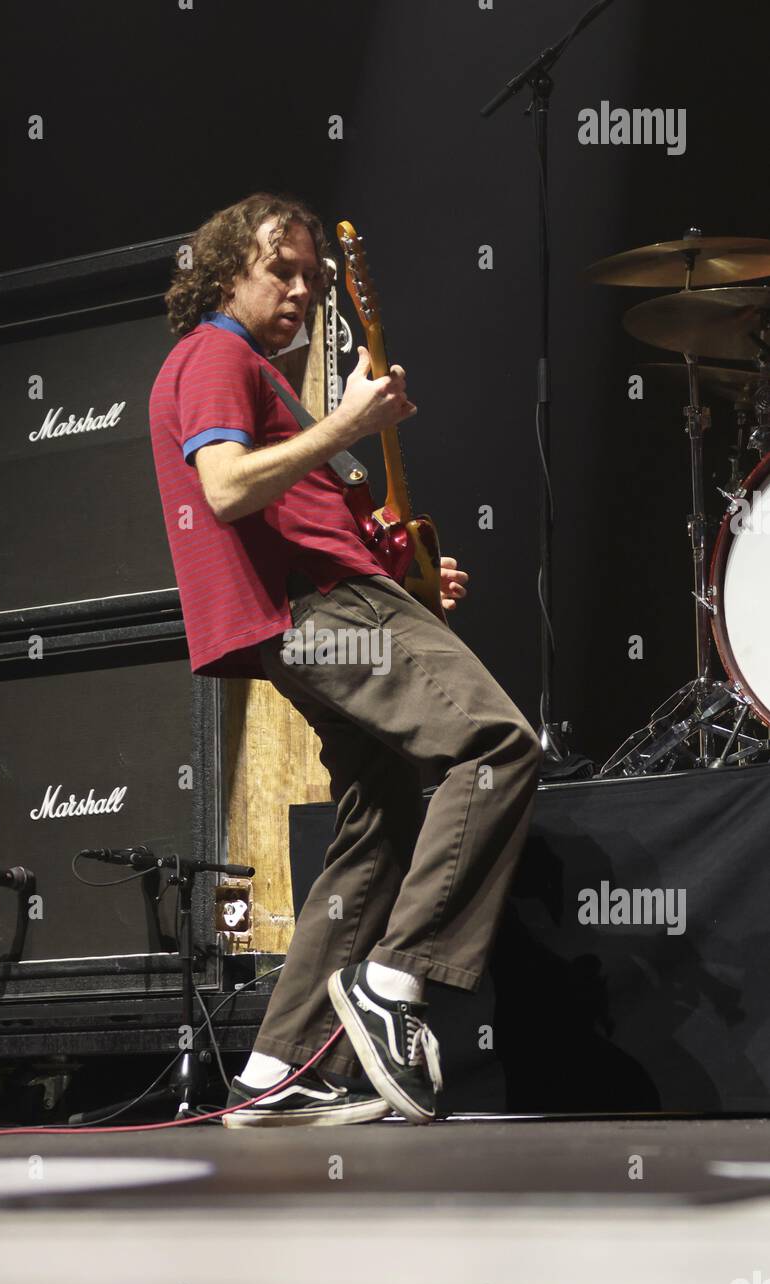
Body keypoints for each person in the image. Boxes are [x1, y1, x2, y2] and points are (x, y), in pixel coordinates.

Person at [149, 192, 542, 1130]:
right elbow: (227, 485)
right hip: (322, 609)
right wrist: (345, 426)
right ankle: (393, 981)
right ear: (222, 269)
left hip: (335, 600)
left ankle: (273, 1072)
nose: (298, 289)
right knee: (495, 747)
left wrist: (407, 571)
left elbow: (307, 510)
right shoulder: (216, 354)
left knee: (378, 816)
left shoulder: (262, 378)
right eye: (278, 270)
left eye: (312, 280)